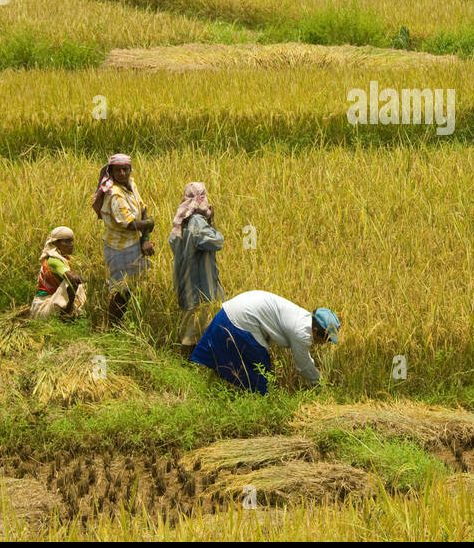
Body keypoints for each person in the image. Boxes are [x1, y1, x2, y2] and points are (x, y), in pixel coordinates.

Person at [190, 290, 339, 395]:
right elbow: (303, 365)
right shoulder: (301, 333)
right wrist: (321, 385)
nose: (324, 343)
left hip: (231, 312)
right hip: (241, 321)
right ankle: (257, 403)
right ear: (315, 330)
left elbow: (305, 359)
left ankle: (219, 388)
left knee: (237, 362)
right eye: (325, 339)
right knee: (260, 373)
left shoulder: (304, 318)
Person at [95, 153, 155, 329]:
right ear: (111, 172)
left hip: (134, 243)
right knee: (120, 289)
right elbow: (128, 223)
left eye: (125, 169)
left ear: (130, 169)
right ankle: (113, 326)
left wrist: (145, 239)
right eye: (117, 170)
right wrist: (149, 224)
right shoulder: (114, 193)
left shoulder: (131, 184)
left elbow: (143, 209)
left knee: (134, 286)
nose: (122, 173)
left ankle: (124, 323)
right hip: (118, 247)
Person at [168, 182, 225, 358]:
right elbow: (216, 242)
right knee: (193, 331)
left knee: (189, 324)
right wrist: (212, 221)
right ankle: (187, 365)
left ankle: (189, 365)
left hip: (185, 281)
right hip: (200, 286)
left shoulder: (181, 222)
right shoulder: (197, 222)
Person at [29, 226, 85, 321]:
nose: (71, 244)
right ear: (55, 243)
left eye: (72, 241)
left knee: (78, 282)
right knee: (70, 282)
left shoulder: (66, 259)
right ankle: (66, 315)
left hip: (52, 302)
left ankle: (69, 313)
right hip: (43, 307)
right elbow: (72, 277)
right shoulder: (53, 260)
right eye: (66, 242)